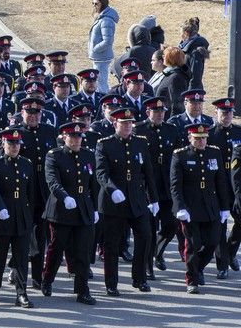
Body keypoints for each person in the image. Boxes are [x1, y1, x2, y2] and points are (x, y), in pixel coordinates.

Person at [96, 107, 158, 295]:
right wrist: (112, 190)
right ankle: (111, 284)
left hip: (137, 200)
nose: (128, 126)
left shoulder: (140, 143)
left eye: (130, 123)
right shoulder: (105, 144)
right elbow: (101, 173)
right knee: (112, 244)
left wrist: (153, 199)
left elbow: (148, 172)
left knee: (145, 236)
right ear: (115, 124)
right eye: (123, 124)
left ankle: (139, 279)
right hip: (113, 202)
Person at [41, 120, 99, 304]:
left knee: (83, 250)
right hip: (61, 208)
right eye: (72, 137)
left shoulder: (88, 155)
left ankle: (82, 290)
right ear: (64, 137)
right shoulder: (54, 156)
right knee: (57, 248)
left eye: (79, 137)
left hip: (83, 208)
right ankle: (47, 279)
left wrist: (95, 208)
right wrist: (64, 196)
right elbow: (52, 181)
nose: (76, 140)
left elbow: (94, 184)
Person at [171, 121, 231, 293]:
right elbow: (175, 185)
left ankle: (198, 268)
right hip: (190, 209)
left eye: (204, 138)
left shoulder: (214, 152)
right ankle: (192, 281)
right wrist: (180, 207)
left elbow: (221, 181)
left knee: (212, 242)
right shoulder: (180, 155)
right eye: (197, 139)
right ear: (190, 138)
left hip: (211, 207)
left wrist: (224, 207)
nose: (201, 142)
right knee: (192, 245)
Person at [0, 126, 35, 307]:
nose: (14, 147)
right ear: (3, 143)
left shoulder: (26, 164)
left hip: (22, 217)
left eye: (17, 143)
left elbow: (31, 194)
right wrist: (0, 208)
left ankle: (21, 293)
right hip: (3, 217)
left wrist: (32, 216)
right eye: (11, 143)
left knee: (22, 257)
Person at [87, 0, 118, 92]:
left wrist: (95, 49)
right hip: (99, 56)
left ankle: (104, 100)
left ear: (102, 4)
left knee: (101, 83)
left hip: (102, 57)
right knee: (99, 82)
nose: (94, 6)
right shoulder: (102, 18)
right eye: (93, 3)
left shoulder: (106, 20)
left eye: (96, 3)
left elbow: (108, 41)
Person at [153, 46, 191, 114]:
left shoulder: (176, 77)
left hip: (168, 117)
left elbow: (176, 104)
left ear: (170, 58)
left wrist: (173, 121)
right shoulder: (171, 74)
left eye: (165, 55)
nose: (163, 57)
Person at [178, 17, 209, 89]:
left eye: (181, 33)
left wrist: (190, 94)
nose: (180, 35)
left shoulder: (195, 52)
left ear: (185, 33)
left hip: (191, 92)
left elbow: (195, 76)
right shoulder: (185, 47)